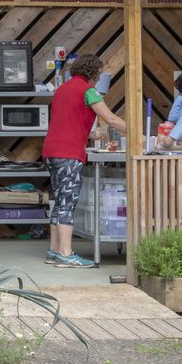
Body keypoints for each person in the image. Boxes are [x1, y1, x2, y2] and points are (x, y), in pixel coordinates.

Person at [42, 53, 128, 268]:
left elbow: (66, 121)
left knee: (60, 200)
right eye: (98, 74)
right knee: (67, 203)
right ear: (93, 73)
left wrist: (89, 134)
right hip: (69, 154)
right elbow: (110, 119)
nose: (99, 78)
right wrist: (138, 133)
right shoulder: (89, 91)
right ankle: (66, 253)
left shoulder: (62, 89)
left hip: (51, 152)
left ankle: (53, 251)